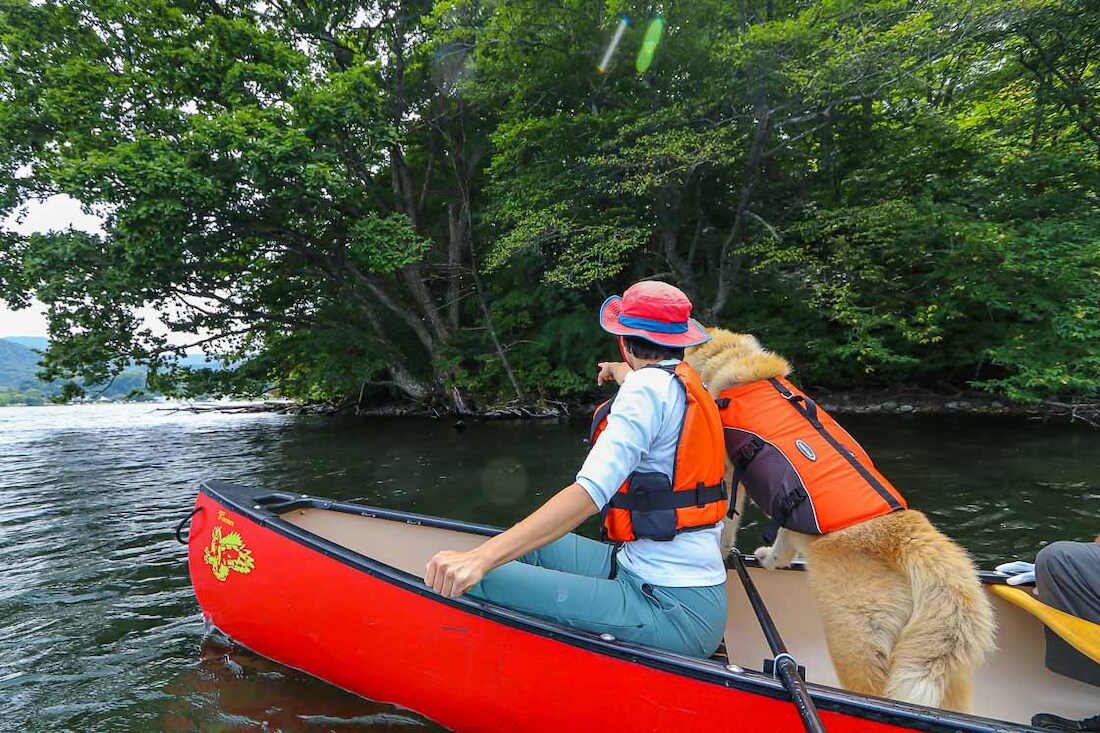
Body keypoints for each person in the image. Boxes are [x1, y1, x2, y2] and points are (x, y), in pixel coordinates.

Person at [423, 280, 729, 658]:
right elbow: (643, 378)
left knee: (480, 578)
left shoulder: (644, 391)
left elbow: (588, 495)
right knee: (536, 547)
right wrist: (620, 370)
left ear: (624, 341)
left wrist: (480, 559)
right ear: (680, 341)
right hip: (686, 593)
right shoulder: (681, 381)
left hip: (670, 609)